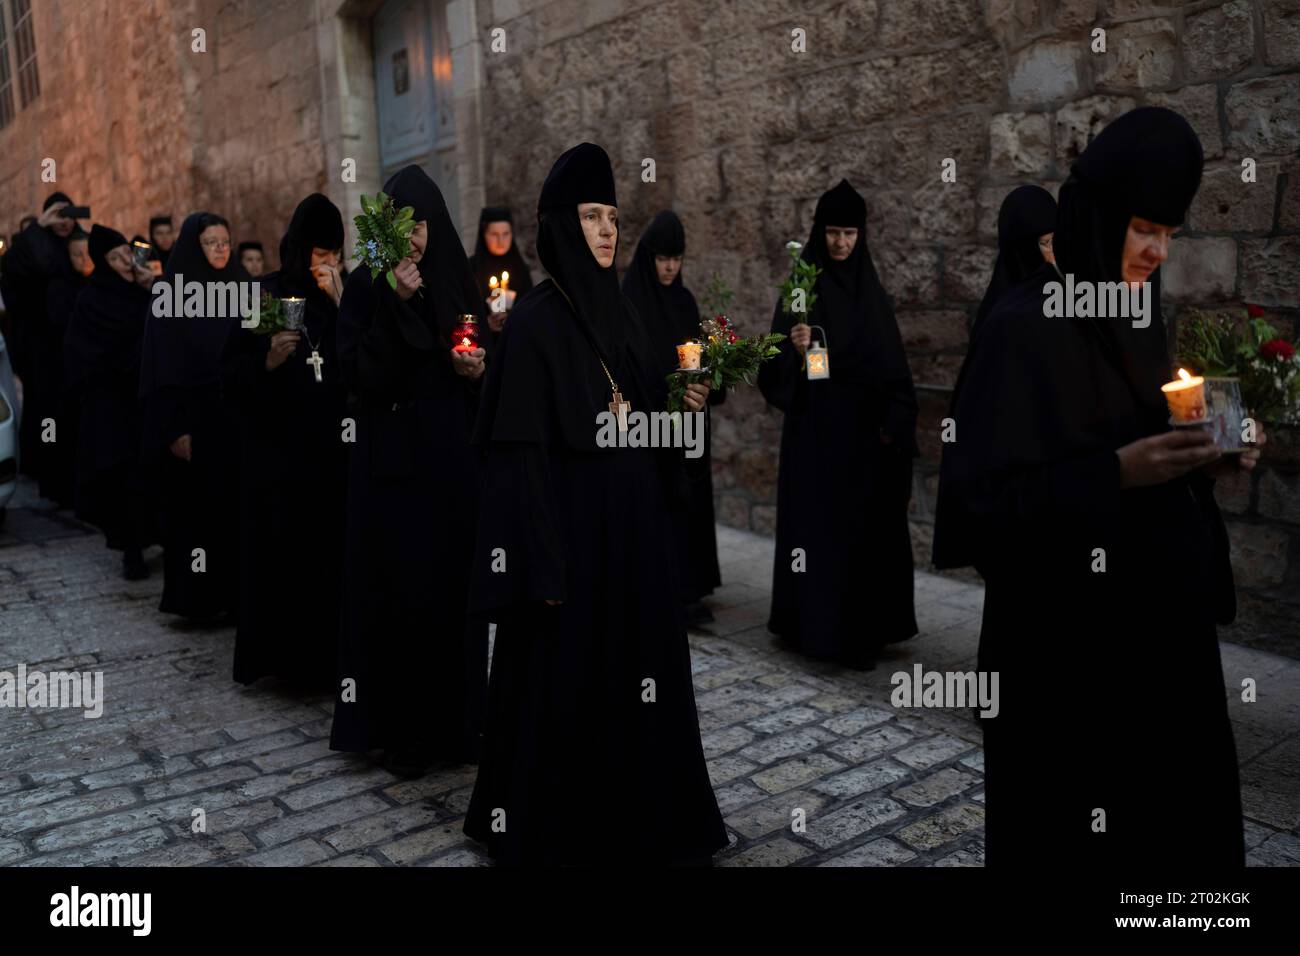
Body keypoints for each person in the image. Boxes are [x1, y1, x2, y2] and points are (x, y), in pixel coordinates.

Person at [935, 107, 1254, 867]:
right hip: (1066, 670)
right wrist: (1115, 473)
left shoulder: (1137, 311)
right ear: (1104, 214)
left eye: (1170, 233)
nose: (1156, 251)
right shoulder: (1019, 329)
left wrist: (1209, 451)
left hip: (1163, 655)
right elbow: (981, 510)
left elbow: (1157, 431)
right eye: (1145, 227)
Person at [463, 143, 727, 865]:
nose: (609, 230)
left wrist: (686, 407)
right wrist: (538, 568)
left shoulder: (627, 315)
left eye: (613, 216)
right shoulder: (535, 325)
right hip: (570, 551)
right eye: (591, 216)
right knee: (564, 689)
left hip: (634, 544)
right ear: (560, 225)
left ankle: (650, 820)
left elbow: (649, 425)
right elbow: (518, 460)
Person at [330, 166, 489, 776]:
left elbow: (481, 360)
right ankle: (404, 733)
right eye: (403, 224)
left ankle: (461, 724)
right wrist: (395, 305)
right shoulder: (367, 284)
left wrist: (478, 370)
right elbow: (358, 375)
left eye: (423, 223)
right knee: (403, 599)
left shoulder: (456, 278)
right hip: (392, 474)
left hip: (450, 467)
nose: (416, 237)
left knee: (452, 597)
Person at [757, 179, 918, 669]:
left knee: (863, 536)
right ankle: (819, 629)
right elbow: (775, 368)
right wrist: (801, 353)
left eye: (849, 233)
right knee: (822, 535)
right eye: (832, 233)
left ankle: (867, 628)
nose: (841, 243)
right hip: (818, 436)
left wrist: (893, 424)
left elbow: (892, 367)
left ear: (861, 234)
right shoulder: (801, 290)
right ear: (819, 233)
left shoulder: (872, 295)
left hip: (865, 438)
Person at [223, 195, 348, 688]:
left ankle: (334, 658)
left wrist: (344, 305)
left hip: (335, 453)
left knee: (331, 561)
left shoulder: (346, 299)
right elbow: (232, 377)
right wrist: (268, 362)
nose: (330, 264)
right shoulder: (270, 299)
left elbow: (368, 364)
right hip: (281, 457)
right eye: (321, 254)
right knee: (286, 561)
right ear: (300, 251)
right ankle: (289, 664)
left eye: (336, 254)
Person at [932, 185, 1057, 570]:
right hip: (1018, 500)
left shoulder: (1060, 302)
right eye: (1047, 243)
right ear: (1023, 247)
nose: (1055, 254)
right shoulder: (1007, 317)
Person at [138, 212, 245, 619]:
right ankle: (198, 599)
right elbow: (160, 367)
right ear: (192, 246)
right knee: (197, 512)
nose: (220, 249)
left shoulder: (242, 288)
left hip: (234, 415)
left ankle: (235, 596)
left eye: (225, 241)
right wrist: (174, 428)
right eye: (211, 242)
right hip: (193, 419)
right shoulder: (171, 293)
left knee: (232, 510)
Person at [621, 209, 722, 624]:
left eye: (676, 259)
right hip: (653, 422)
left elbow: (697, 359)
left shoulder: (684, 300)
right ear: (649, 257)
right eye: (663, 258)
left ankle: (691, 587)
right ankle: (661, 590)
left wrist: (707, 379)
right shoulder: (630, 303)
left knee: (691, 501)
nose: (670, 267)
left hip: (690, 421)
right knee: (661, 500)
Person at [65, 225, 157, 579]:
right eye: (116, 257)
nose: (124, 262)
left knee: (147, 473)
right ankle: (131, 551)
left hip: (143, 400)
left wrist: (153, 290)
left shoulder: (141, 292)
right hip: (111, 407)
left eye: (126, 254)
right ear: (103, 262)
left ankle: (152, 537)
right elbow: (81, 354)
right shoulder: (90, 301)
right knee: (122, 480)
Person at [1, 193, 83, 481]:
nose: (64, 222)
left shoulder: (79, 245)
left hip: (75, 348)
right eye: (57, 215)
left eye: (68, 214)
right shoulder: (36, 245)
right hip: (45, 350)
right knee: (48, 413)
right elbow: (12, 267)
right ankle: (51, 473)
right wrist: (40, 226)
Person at [39, 228, 94, 506]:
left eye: (88, 254)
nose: (84, 260)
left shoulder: (100, 286)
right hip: (65, 376)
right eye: (77, 254)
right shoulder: (59, 288)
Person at [467, 206, 533, 342]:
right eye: (494, 234)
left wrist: (512, 318)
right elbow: (464, 312)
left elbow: (531, 309)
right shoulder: (471, 268)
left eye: (506, 234)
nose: (501, 241)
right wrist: (484, 324)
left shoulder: (520, 268)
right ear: (483, 234)